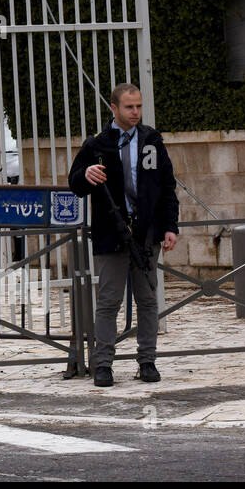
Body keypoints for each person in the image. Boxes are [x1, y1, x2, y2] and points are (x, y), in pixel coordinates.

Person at [67, 84, 178, 387]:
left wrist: (170, 226)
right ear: (114, 108)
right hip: (109, 232)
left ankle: (147, 361)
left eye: (139, 107)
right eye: (129, 107)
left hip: (145, 233)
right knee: (108, 301)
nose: (135, 113)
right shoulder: (97, 144)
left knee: (147, 300)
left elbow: (167, 186)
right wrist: (86, 174)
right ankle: (102, 365)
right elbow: (74, 183)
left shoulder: (151, 140)